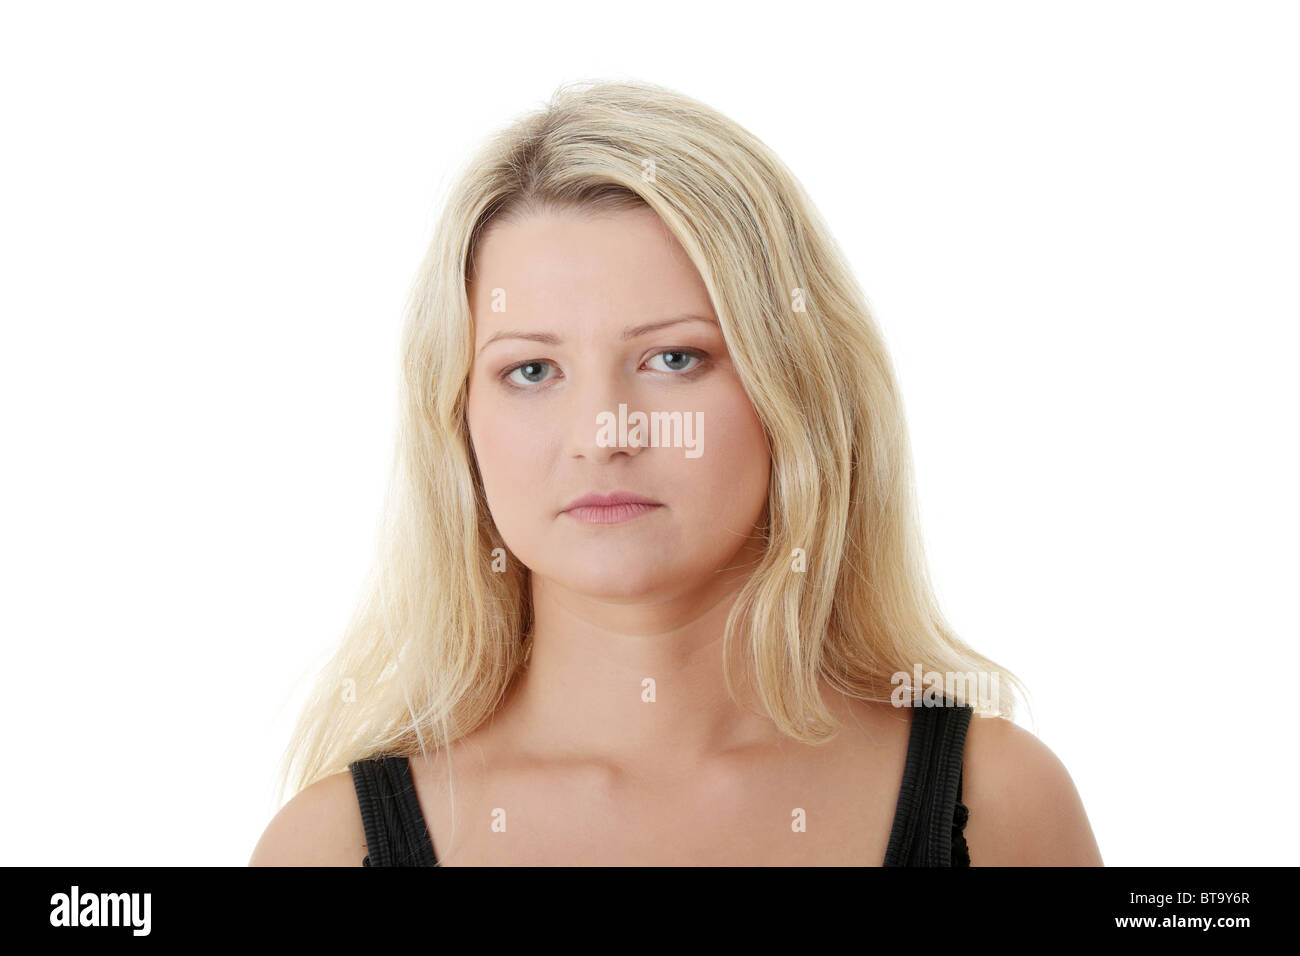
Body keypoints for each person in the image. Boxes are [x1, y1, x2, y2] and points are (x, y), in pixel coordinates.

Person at [250, 79, 1102, 866]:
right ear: (459, 419)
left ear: (793, 389)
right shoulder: (331, 846)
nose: (601, 433)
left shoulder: (996, 806)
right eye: (532, 371)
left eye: (672, 357)